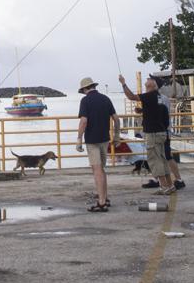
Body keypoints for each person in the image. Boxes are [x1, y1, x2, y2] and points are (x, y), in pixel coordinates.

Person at [119, 74, 184, 195]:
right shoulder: (159, 97)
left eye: (149, 79)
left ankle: (164, 186)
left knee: (155, 160)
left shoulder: (149, 95)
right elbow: (163, 114)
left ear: (152, 85)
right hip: (162, 132)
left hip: (153, 134)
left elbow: (131, 96)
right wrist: (144, 111)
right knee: (163, 159)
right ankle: (170, 185)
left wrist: (123, 83)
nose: (147, 80)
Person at [76, 77, 120, 212]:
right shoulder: (105, 99)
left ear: (84, 89)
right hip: (105, 139)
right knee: (101, 169)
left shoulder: (85, 100)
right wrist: (117, 136)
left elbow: (84, 121)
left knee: (97, 171)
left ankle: (101, 203)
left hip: (92, 141)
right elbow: (116, 119)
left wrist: (79, 138)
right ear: (94, 86)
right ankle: (104, 197)